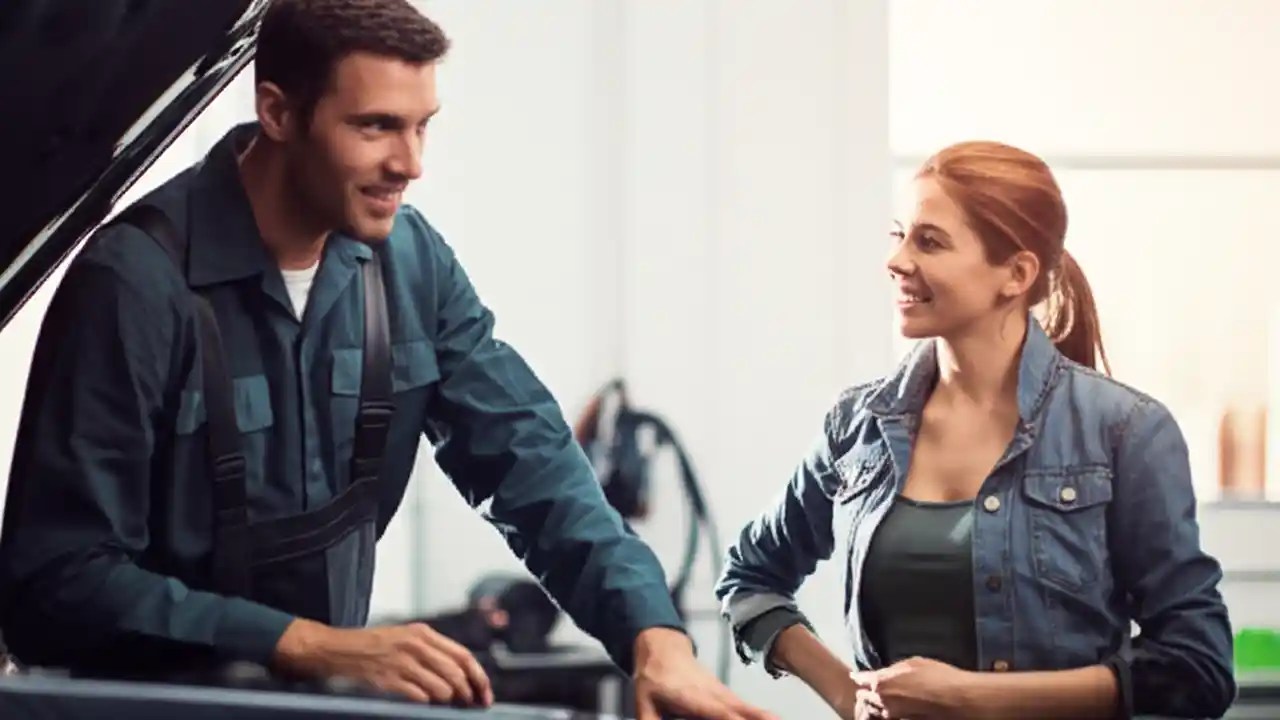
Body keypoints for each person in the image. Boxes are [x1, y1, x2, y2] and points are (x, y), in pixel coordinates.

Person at [0, 2, 774, 719]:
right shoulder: (134, 284)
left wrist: (655, 638)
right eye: (375, 127)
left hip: (330, 706)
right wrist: (312, 644)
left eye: (422, 126)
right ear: (276, 112)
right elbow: (57, 580)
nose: (410, 163)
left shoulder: (411, 264)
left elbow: (533, 465)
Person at [712, 140, 1236, 719]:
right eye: (899, 235)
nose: (897, 260)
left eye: (929, 241)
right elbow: (750, 577)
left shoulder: (1124, 431)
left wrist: (969, 698)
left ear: (1015, 274)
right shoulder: (857, 426)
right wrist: (845, 692)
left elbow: (1196, 667)